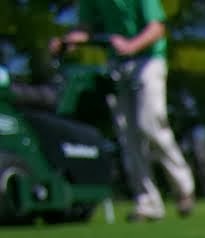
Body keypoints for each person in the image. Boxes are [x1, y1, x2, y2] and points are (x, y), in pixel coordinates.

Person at [51, 0, 195, 221]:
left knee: (151, 125)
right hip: (118, 64)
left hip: (148, 61)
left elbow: (157, 27)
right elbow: (86, 28)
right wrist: (67, 41)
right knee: (128, 136)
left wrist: (131, 45)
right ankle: (148, 203)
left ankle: (183, 187)